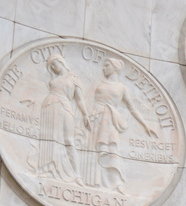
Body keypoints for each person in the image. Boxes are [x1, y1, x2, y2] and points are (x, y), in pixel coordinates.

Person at [84, 58, 158, 194]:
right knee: (94, 149)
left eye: (107, 65)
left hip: (111, 119)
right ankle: (95, 182)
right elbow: (87, 100)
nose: (103, 68)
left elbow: (132, 108)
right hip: (95, 117)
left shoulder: (122, 88)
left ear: (115, 68)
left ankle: (116, 183)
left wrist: (145, 125)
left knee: (112, 148)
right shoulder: (97, 83)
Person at [37, 54, 89, 183]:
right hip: (50, 105)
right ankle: (48, 168)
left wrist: (85, 114)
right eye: (51, 66)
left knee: (69, 140)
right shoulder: (53, 79)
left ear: (62, 62)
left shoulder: (74, 79)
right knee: (50, 138)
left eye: (55, 64)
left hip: (65, 106)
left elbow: (80, 99)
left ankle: (77, 175)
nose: (54, 68)